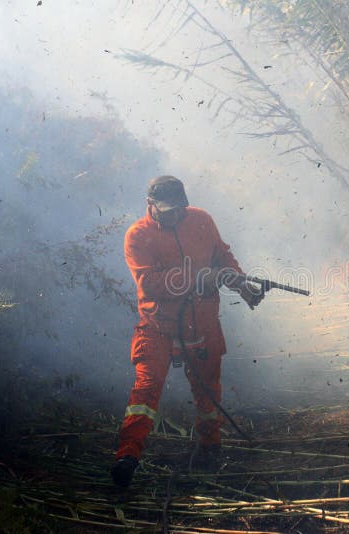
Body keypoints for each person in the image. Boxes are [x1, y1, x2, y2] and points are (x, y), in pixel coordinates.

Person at [111, 175, 262, 488]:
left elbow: (222, 258)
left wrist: (241, 284)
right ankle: (127, 456)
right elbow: (149, 284)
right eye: (167, 211)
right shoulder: (137, 236)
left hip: (203, 323)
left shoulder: (202, 220)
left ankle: (210, 450)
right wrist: (197, 278)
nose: (175, 216)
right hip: (158, 328)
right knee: (146, 390)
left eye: (179, 209)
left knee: (208, 389)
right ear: (149, 205)